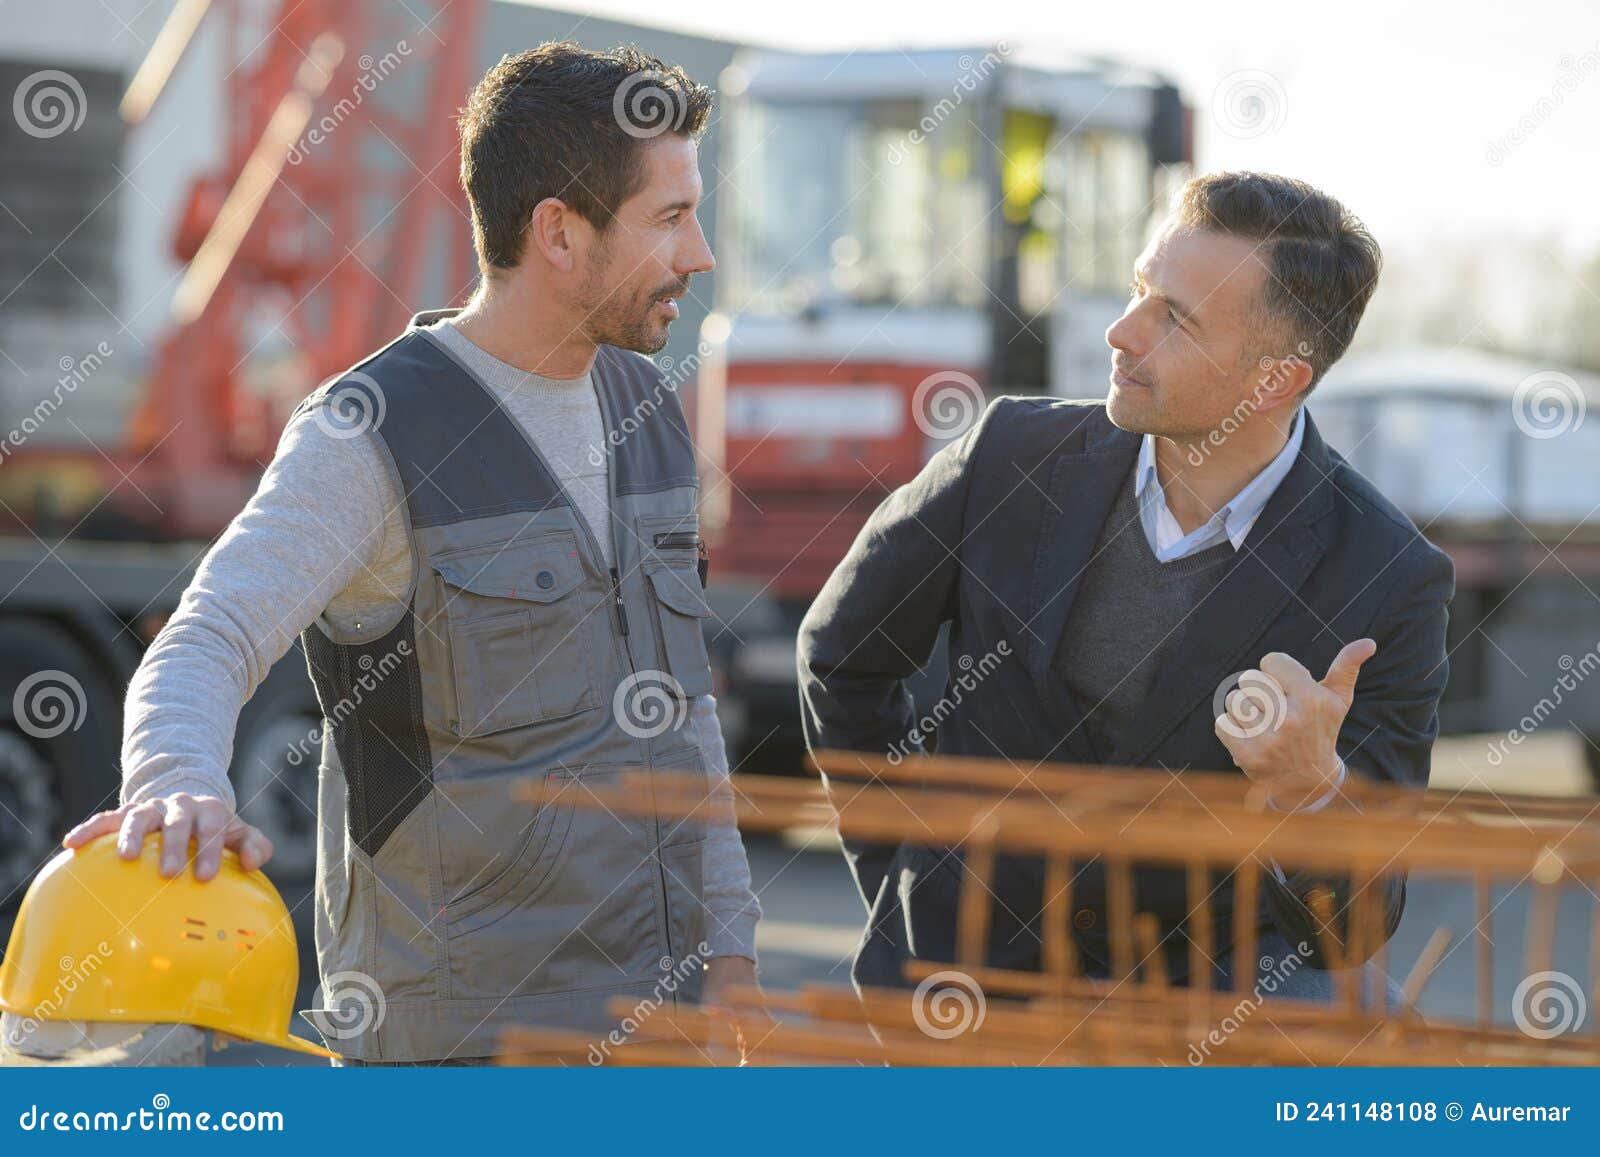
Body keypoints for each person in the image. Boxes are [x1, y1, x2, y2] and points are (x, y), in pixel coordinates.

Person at [64, 42, 761, 1065]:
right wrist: (178, 779)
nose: (697, 254)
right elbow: (208, 633)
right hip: (455, 1046)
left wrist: (732, 955)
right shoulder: (372, 431)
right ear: (558, 233)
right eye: (669, 218)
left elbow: (687, 716)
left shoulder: (650, 413)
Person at [797, 171, 1453, 1006]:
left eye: (1172, 317)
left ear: (1275, 381)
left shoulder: (1391, 576)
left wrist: (1311, 793)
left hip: (1193, 1037)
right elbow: (842, 656)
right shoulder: (1004, 455)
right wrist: (907, 874)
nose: (1121, 329)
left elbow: (1352, 931)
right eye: (1140, 288)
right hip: (957, 993)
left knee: (1371, 1026)